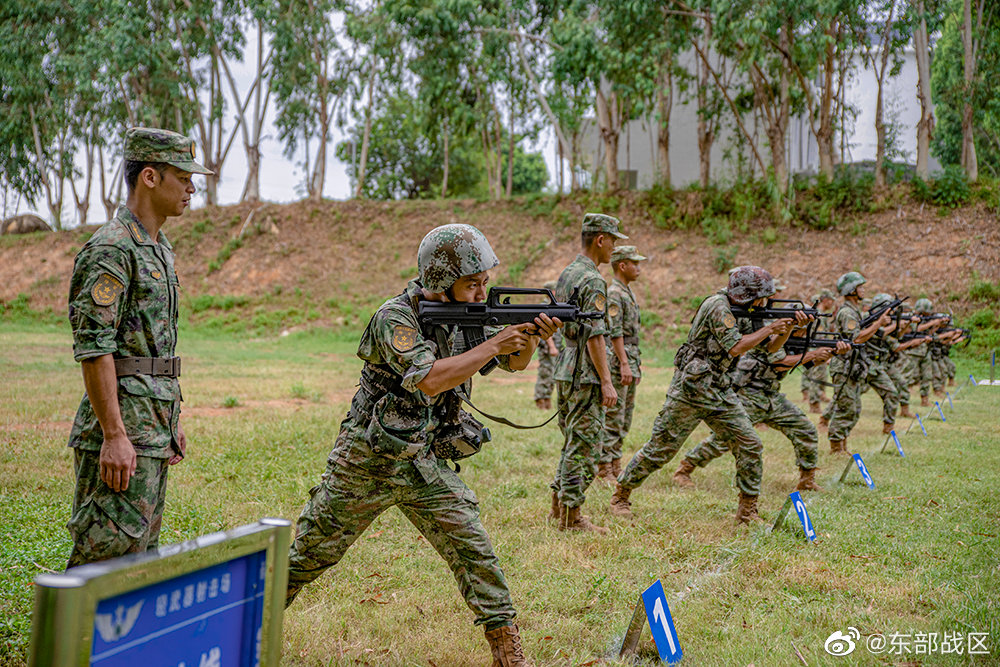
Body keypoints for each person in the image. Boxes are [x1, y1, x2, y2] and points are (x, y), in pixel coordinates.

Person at [285, 224, 559, 666]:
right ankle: (242, 628)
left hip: (423, 461)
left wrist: (526, 339)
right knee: (309, 555)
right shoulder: (395, 318)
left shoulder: (469, 314)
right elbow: (430, 380)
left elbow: (512, 363)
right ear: (440, 280)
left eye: (484, 281)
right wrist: (493, 344)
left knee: (475, 549)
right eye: (472, 283)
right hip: (367, 460)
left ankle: (509, 653)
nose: (481, 291)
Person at [65, 127, 212, 568]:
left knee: (138, 563)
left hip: (151, 429)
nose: (191, 187)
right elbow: (95, 348)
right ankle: (72, 639)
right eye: (183, 176)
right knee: (102, 562)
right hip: (124, 430)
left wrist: (171, 420)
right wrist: (113, 435)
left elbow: (154, 346)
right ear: (150, 177)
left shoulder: (159, 246)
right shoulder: (112, 248)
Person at [609, 266, 804, 524]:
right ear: (747, 294)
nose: (765, 301)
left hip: (719, 389)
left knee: (750, 443)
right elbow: (736, 347)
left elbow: (768, 350)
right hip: (690, 389)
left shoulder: (749, 311)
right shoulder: (717, 306)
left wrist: (787, 329)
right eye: (762, 295)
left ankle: (747, 511)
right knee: (661, 448)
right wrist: (770, 328)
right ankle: (621, 495)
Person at [673, 327, 846, 493]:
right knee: (723, 440)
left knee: (805, 429)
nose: (804, 333)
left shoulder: (795, 343)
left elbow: (804, 362)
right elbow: (780, 363)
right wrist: (814, 354)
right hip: (750, 395)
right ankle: (684, 470)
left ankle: (807, 480)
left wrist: (828, 354)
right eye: (802, 328)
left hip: (771, 396)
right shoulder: (770, 337)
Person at [549, 213, 626, 534]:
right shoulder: (593, 279)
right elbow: (595, 333)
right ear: (600, 239)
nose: (614, 248)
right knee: (584, 445)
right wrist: (607, 381)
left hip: (567, 368)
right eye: (613, 241)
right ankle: (572, 516)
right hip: (585, 372)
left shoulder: (568, 273)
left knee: (572, 441)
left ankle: (559, 506)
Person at [825, 272, 892, 454]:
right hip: (844, 367)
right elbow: (858, 338)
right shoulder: (847, 313)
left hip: (852, 366)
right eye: (860, 287)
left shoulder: (854, 312)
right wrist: (878, 324)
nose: (864, 290)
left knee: (853, 408)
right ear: (851, 290)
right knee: (846, 407)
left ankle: (842, 445)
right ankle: (836, 448)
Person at [597, 245, 647, 485]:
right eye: (634, 263)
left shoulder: (626, 291)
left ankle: (616, 462)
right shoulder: (615, 293)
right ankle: (604, 466)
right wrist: (624, 364)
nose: (638, 268)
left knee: (625, 416)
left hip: (629, 357)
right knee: (615, 415)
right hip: (619, 360)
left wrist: (635, 363)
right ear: (622, 265)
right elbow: (615, 332)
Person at [801, 289, 837, 412]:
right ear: (826, 300)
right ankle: (814, 405)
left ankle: (816, 401)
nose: (832, 304)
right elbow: (819, 336)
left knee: (820, 377)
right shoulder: (819, 315)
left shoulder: (822, 314)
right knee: (816, 378)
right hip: (817, 350)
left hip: (820, 350)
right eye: (831, 301)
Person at [533, 281, 563, 410]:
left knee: (552, 375)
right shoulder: (544, 307)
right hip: (548, 348)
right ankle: (541, 401)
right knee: (546, 374)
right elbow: (543, 330)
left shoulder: (553, 306)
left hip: (555, 347)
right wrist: (551, 346)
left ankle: (547, 401)